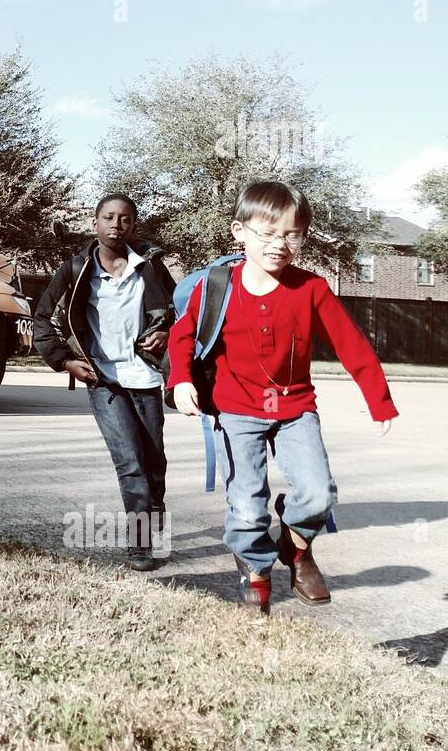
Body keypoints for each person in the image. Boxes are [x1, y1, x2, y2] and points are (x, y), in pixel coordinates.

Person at [166, 180, 397, 613]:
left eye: (292, 234)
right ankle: (254, 569)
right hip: (236, 409)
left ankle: (295, 547)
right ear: (239, 231)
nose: (280, 244)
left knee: (318, 494)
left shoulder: (312, 289)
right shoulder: (217, 286)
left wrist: (377, 397)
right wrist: (181, 380)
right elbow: (181, 338)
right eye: (268, 233)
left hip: (294, 408)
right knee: (248, 505)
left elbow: (352, 344)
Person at [34, 193, 176, 570]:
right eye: (109, 217)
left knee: (153, 463)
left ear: (134, 225)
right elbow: (42, 321)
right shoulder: (75, 270)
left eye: (125, 218)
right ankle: (140, 545)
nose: (117, 225)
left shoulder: (150, 267)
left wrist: (166, 335)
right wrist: (66, 361)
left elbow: (180, 313)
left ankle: (154, 503)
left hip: (145, 377)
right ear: (95, 223)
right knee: (130, 463)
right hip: (103, 379)